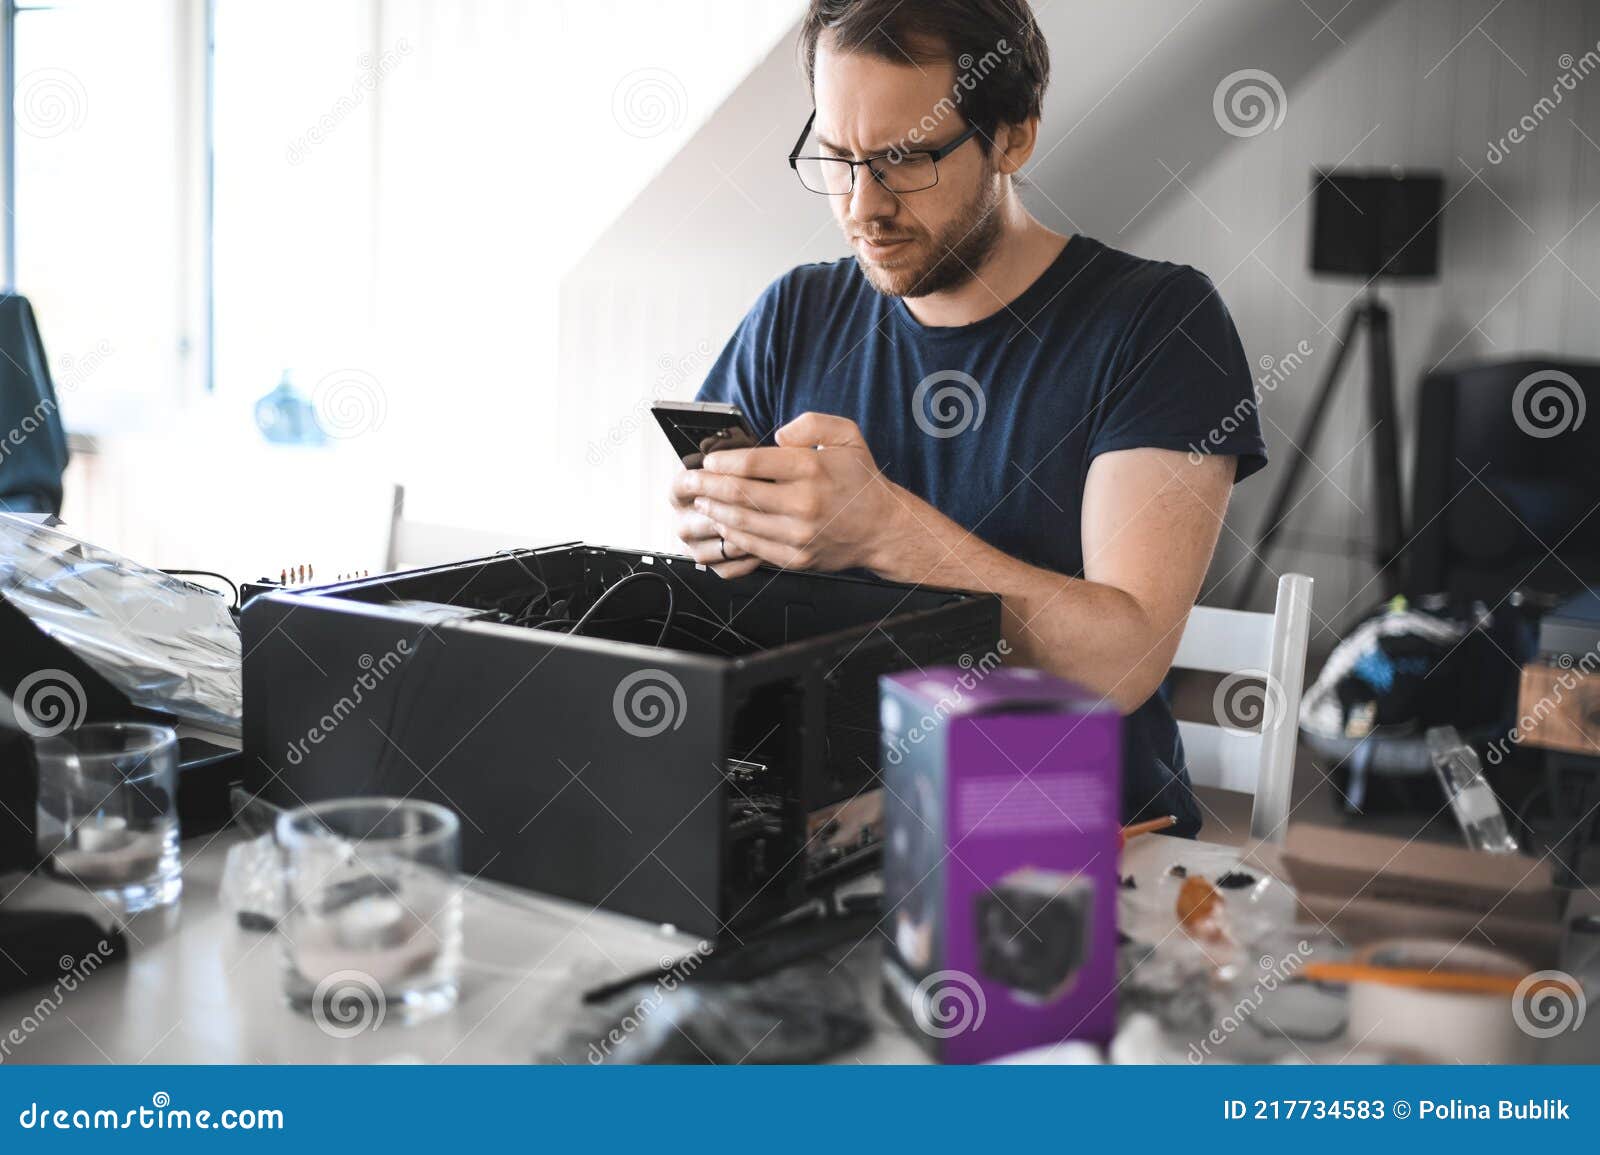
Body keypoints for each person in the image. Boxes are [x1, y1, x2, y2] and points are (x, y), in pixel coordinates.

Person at [669, 0, 1267, 835]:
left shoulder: (1156, 323)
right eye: (838, 158)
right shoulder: (793, 313)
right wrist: (723, 529)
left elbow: (1123, 659)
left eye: (905, 159)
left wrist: (881, 530)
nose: (860, 205)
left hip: (1078, 848)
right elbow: (710, 583)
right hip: (831, 831)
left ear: (1014, 133)